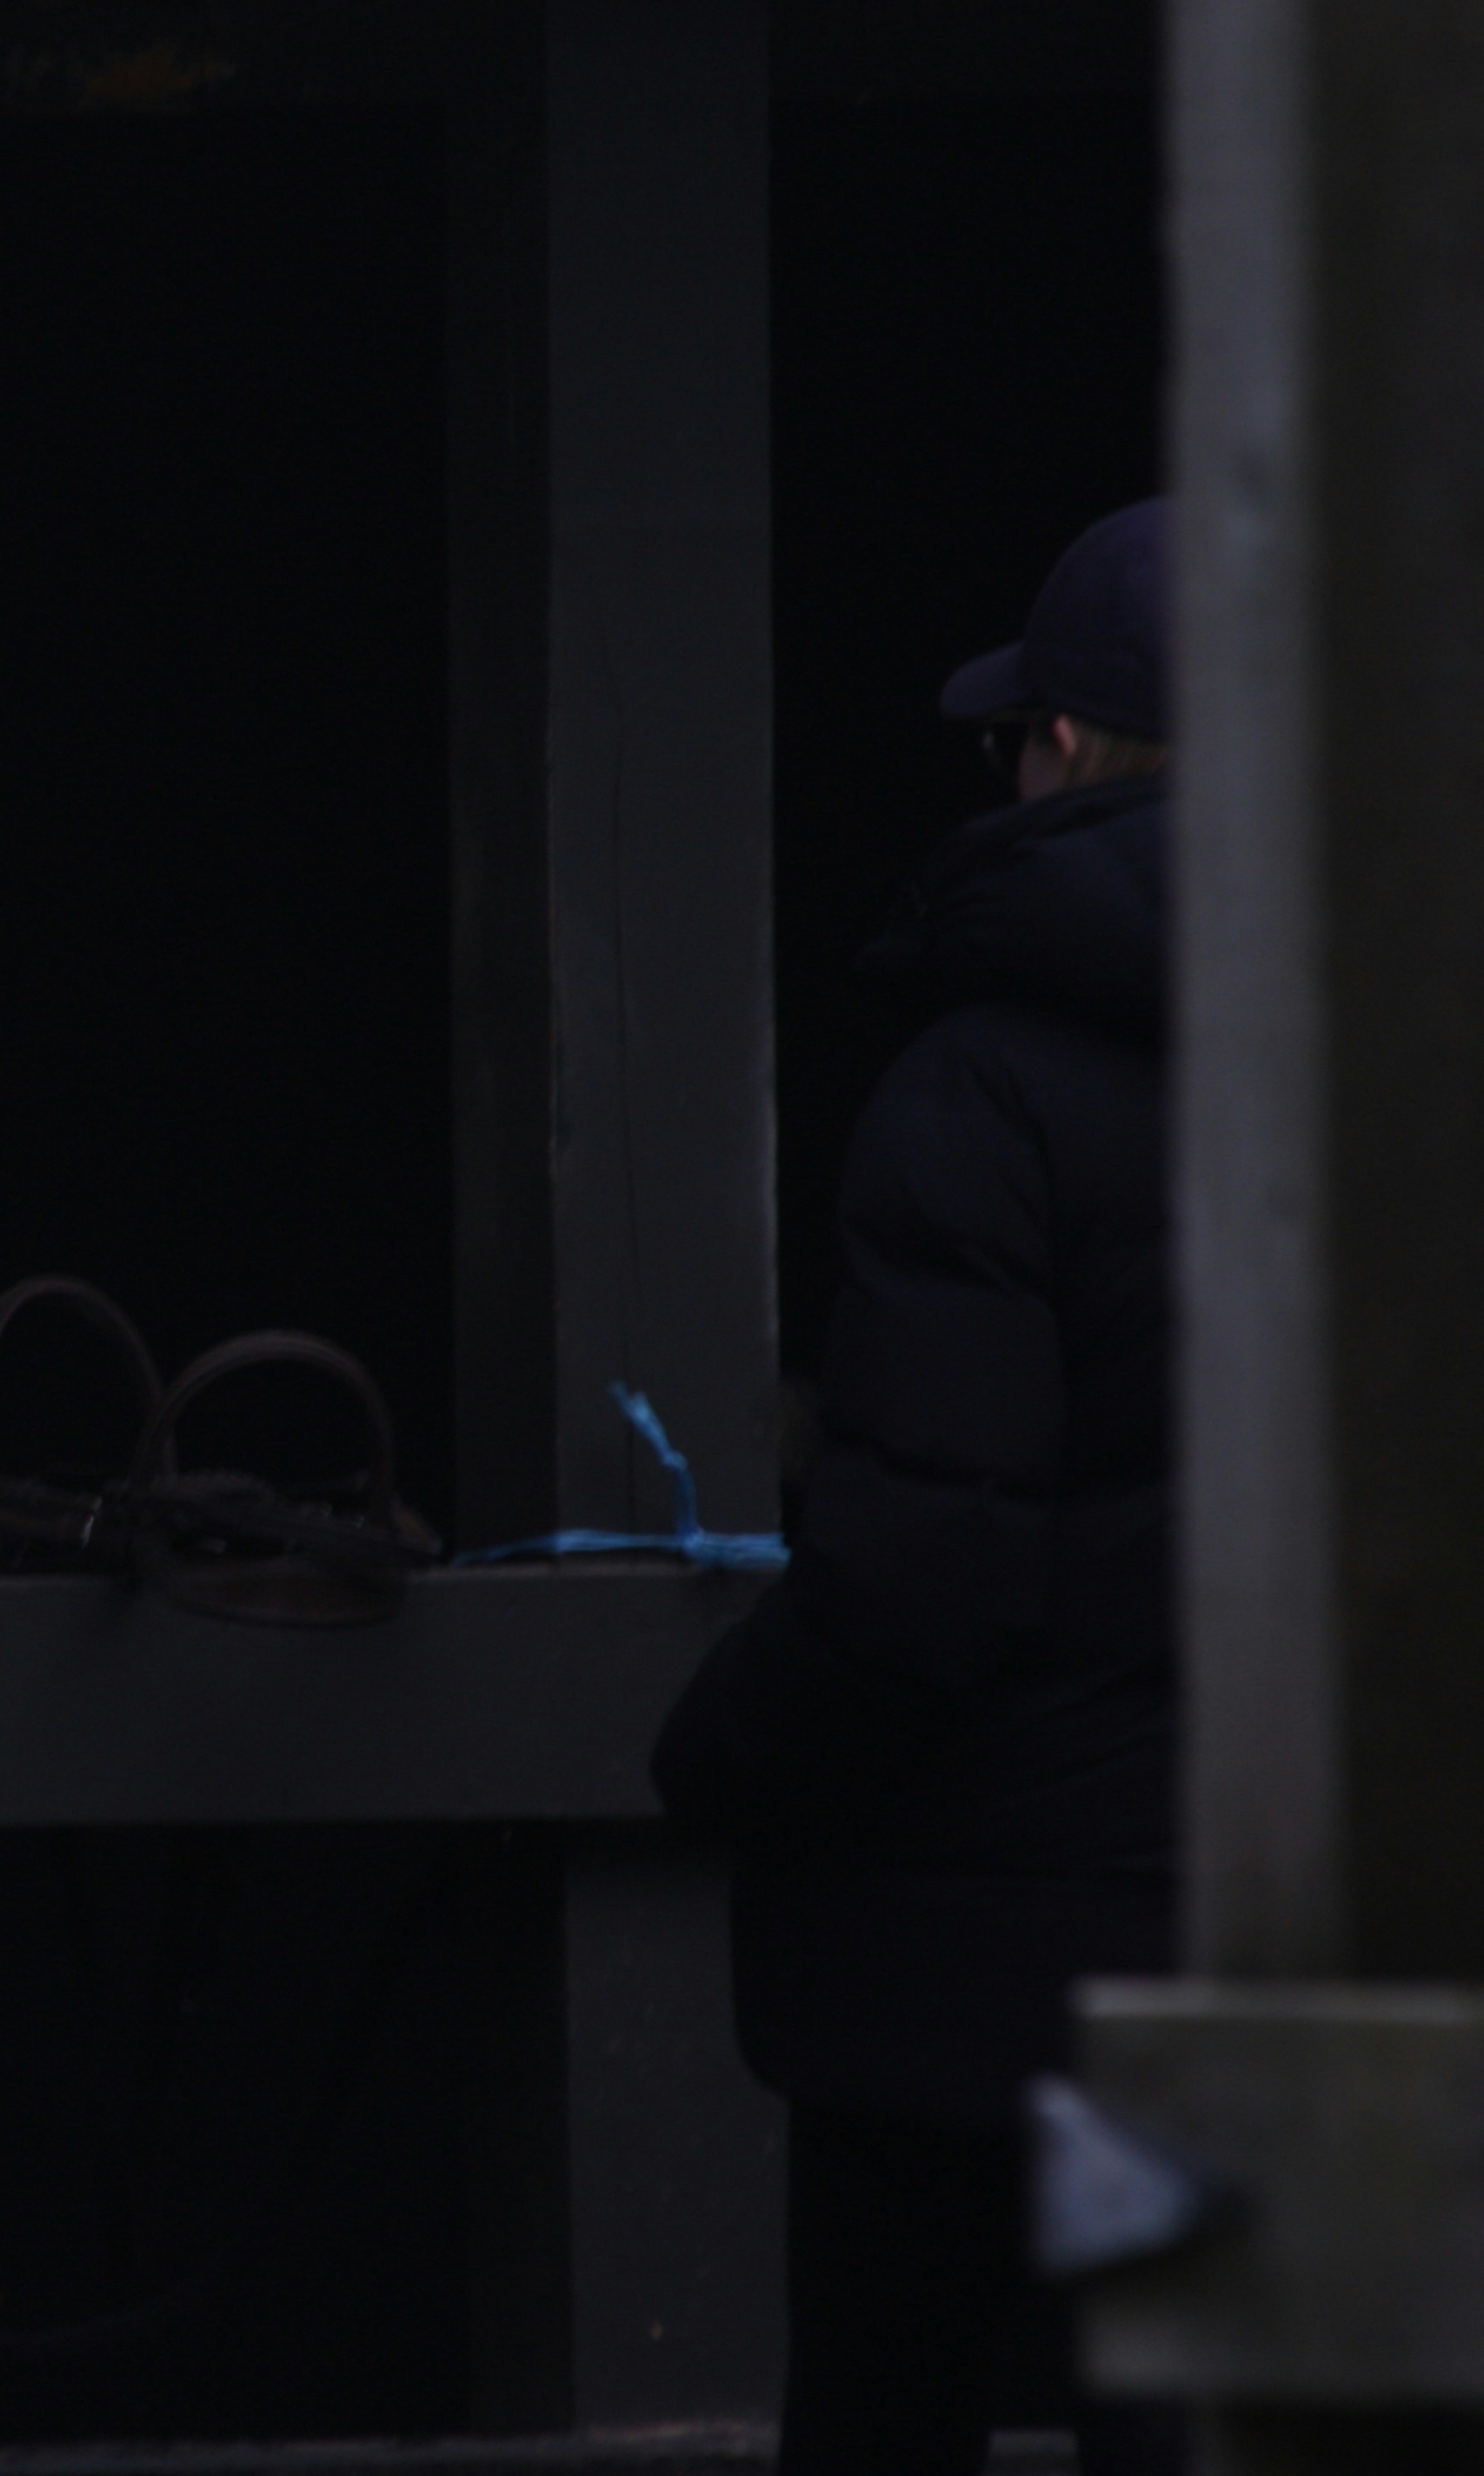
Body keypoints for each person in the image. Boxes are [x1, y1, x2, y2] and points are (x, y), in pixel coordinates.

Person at [653, 497, 1185, 2476]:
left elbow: (919, 1588)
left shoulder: (979, 1091)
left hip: (956, 2009)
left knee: (891, 2415)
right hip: (1271, 1975)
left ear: (1060, 750)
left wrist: (713, 1745)